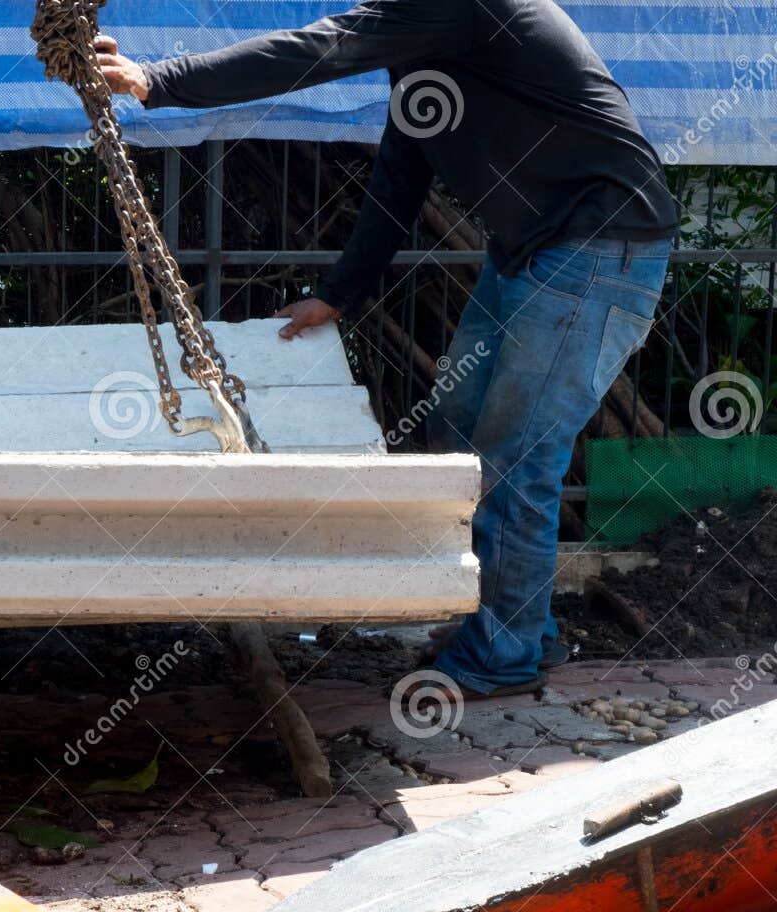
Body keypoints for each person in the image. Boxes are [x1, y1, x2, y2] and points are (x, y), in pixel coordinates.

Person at [95, 0, 677, 700]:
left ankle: (506, 649)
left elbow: (323, 47)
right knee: (460, 423)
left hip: (600, 244)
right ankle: (513, 623)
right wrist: (340, 292)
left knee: (517, 454)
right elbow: (403, 168)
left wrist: (159, 80)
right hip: (535, 248)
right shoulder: (425, 38)